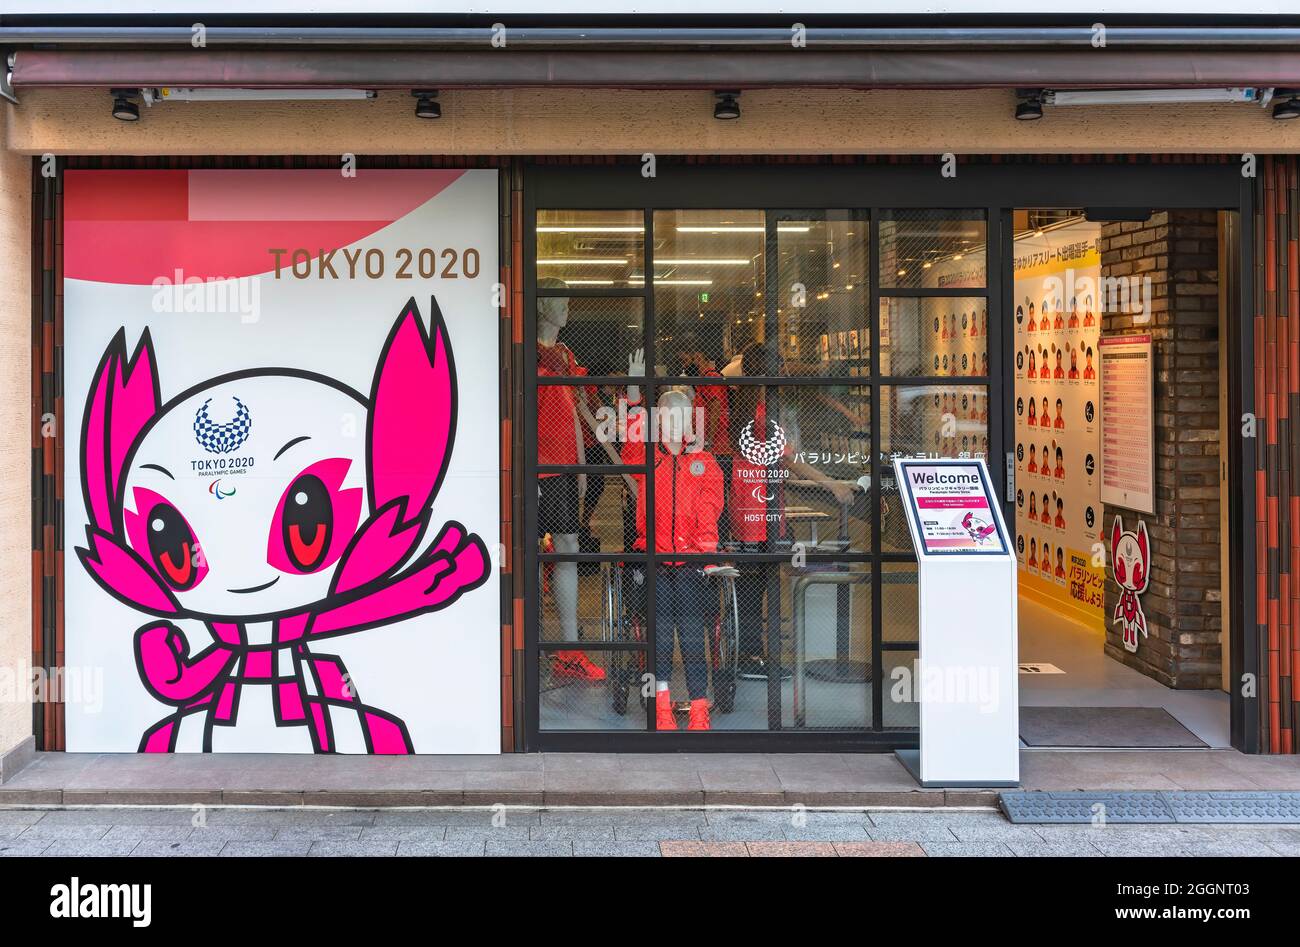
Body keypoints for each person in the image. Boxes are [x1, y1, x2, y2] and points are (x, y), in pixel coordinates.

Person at [728, 342, 857, 680]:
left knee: (751, 582)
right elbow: (789, 460)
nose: (786, 372)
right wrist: (832, 484)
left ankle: (750, 651)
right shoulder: (761, 409)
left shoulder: (742, 402)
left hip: (747, 507)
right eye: (782, 365)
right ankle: (752, 656)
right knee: (764, 579)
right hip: (762, 511)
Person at [622, 388, 725, 732]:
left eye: (679, 417)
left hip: (692, 560)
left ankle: (699, 707)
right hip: (654, 557)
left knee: (694, 633)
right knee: (661, 631)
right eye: (665, 418)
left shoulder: (705, 462)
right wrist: (636, 402)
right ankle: (661, 705)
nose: (672, 424)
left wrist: (707, 553)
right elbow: (627, 454)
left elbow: (710, 509)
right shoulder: (647, 456)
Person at [535, 279, 605, 682]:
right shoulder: (532, 356)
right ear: (542, 306)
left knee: (568, 547)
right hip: (535, 468)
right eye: (558, 301)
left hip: (562, 469)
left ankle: (568, 647)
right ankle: (536, 643)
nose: (566, 309)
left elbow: (577, 419)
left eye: (566, 301)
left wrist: (579, 468)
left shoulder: (563, 355)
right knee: (534, 552)